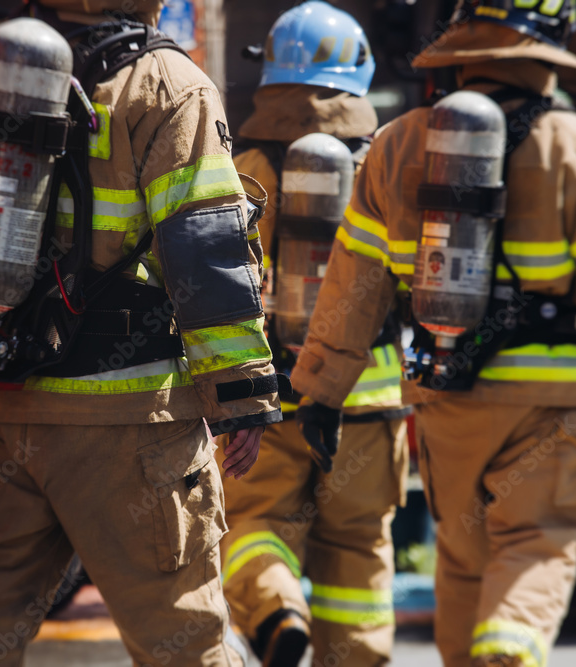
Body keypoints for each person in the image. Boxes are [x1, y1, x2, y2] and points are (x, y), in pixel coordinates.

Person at [0, 1, 282, 665]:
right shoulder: (172, 85)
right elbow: (207, 254)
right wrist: (242, 398)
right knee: (182, 641)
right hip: (130, 424)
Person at [288, 1, 576, 666]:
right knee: (539, 537)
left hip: (447, 393)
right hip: (551, 401)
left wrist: (321, 389)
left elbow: (351, 286)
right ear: (551, 44)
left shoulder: (396, 144)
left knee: (464, 551)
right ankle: (509, 647)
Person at [218, 4, 410, 665]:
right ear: (359, 72)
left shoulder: (237, 169)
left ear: (269, 71)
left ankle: (276, 609)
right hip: (367, 399)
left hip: (268, 399)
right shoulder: (384, 167)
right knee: (358, 546)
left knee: (254, 526)